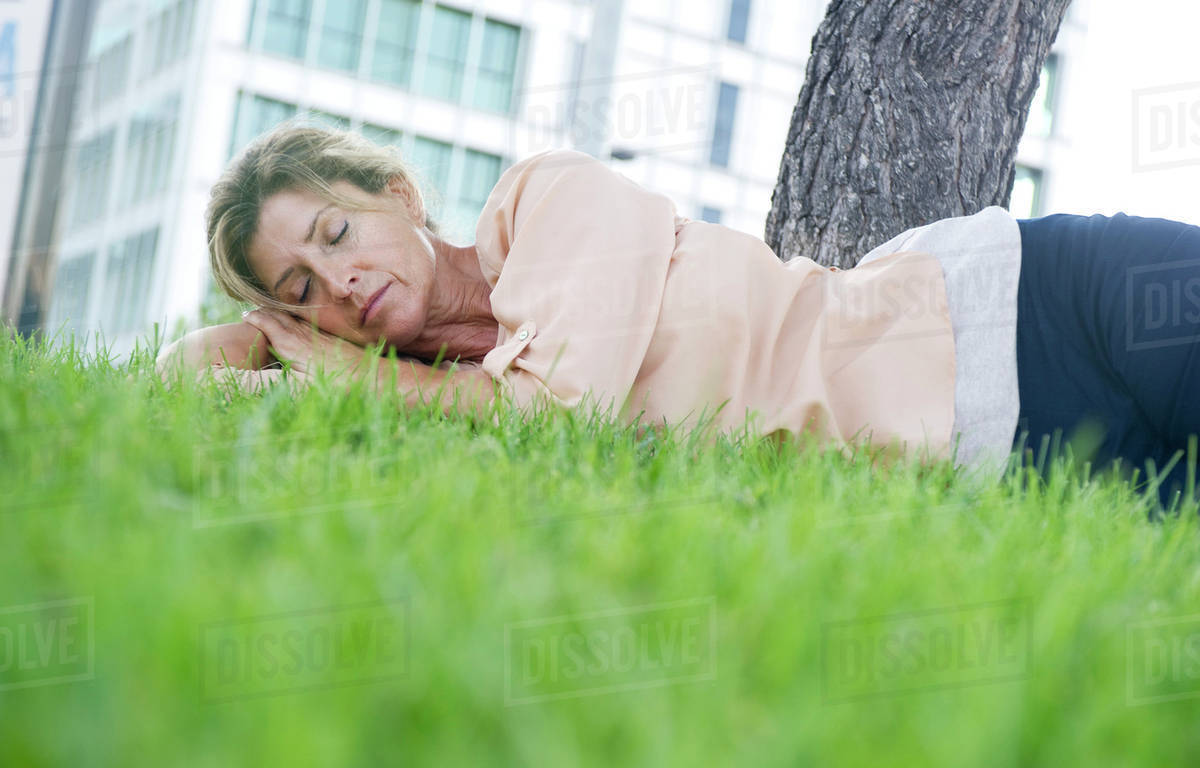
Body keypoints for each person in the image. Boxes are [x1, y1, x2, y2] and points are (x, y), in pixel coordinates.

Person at [158, 124, 1200, 507]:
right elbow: (192, 378)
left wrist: (358, 375)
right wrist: (248, 347)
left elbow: (559, 407)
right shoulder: (446, 426)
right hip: (1008, 456)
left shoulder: (546, 201)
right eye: (298, 294)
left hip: (1026, 306)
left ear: (396, 193)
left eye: (335, 237)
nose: (335, 286)